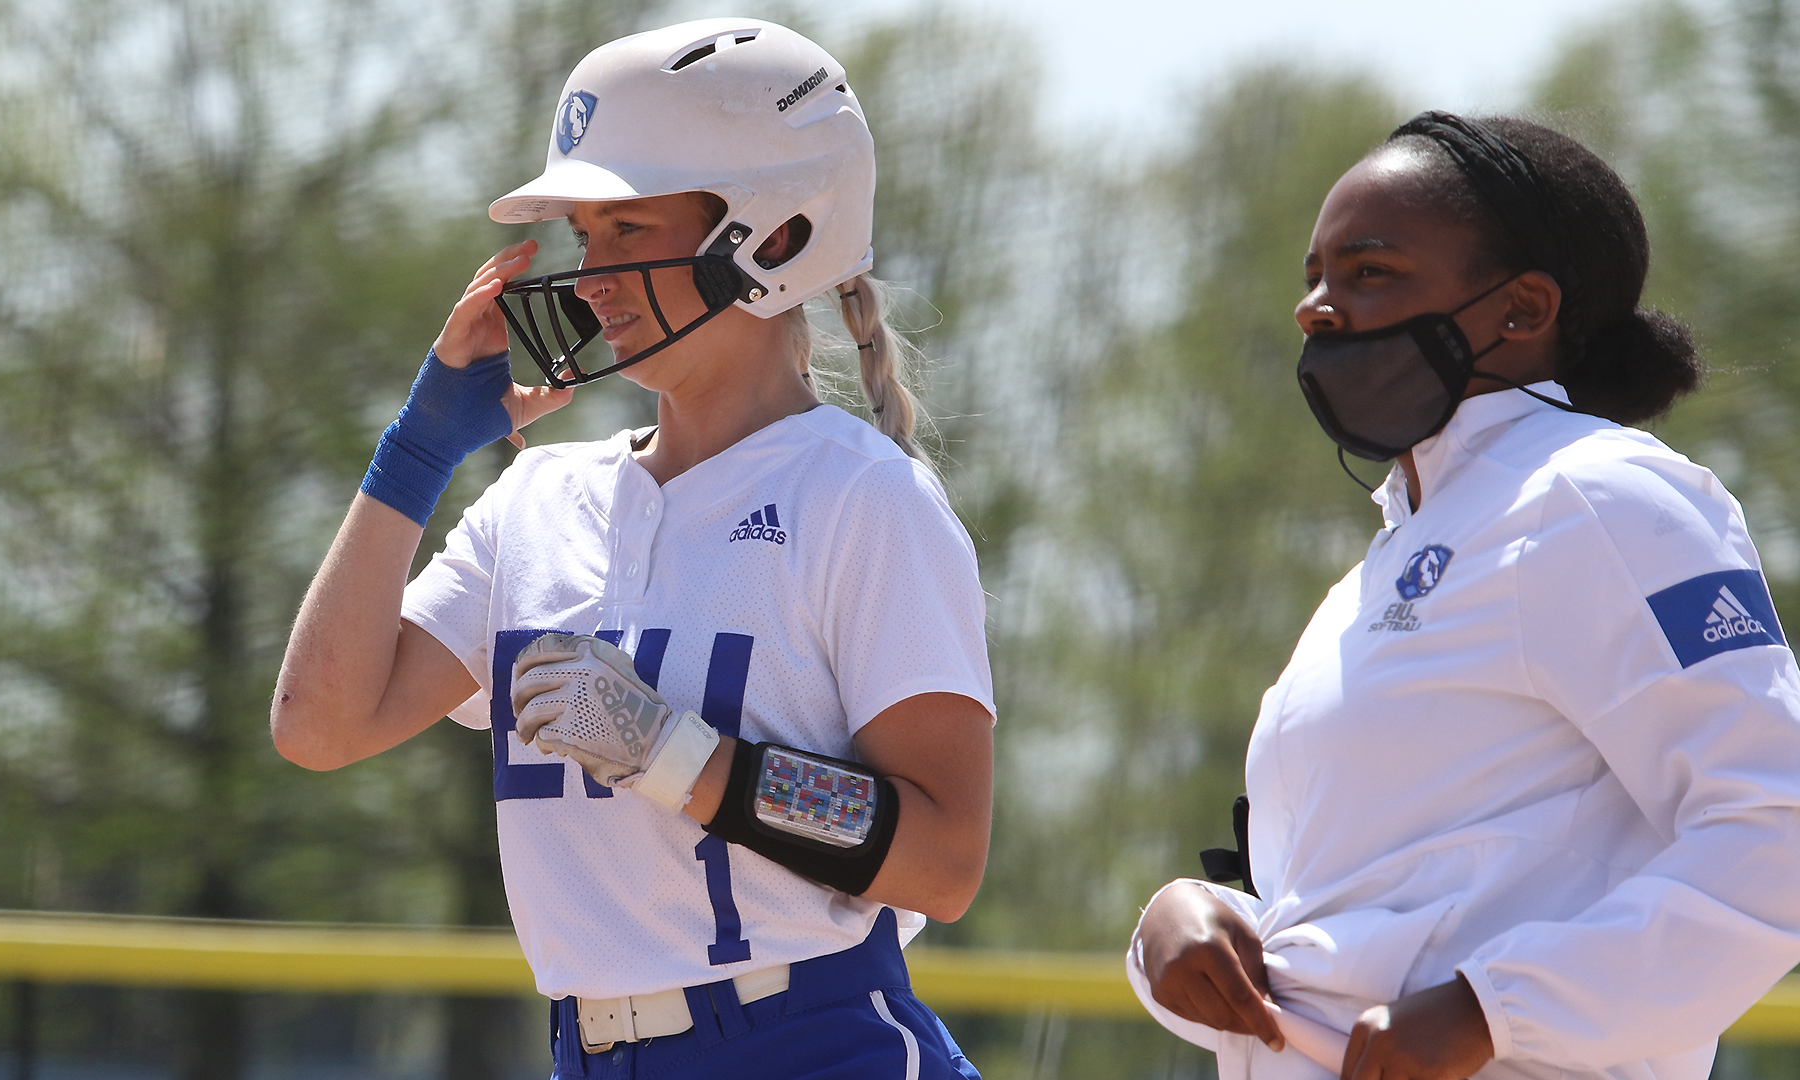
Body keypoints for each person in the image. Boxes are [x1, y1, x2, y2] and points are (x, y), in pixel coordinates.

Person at [269, 18, 992, 1080]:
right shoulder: (539, 498)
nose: (590, 275)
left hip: (818, 1045)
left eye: (626, 230)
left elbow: (943, 861)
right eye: (585, 238)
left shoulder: (866, 499)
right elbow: (318, 725)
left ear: (772, 238)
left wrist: (681, 760)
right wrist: (414, 453)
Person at [1128, 112, 1800, 1080]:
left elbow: (1776, 830)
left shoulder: (1597, 495)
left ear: (1523, 310)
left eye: (1370, 272)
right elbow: (1380, 901)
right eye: (1314, 276)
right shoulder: (1392, 557)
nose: (1316, 307)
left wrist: (1493, 1011)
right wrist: (1190, 925)